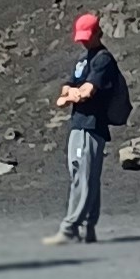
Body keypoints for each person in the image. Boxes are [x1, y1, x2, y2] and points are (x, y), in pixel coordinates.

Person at [45, 13, 127, 246]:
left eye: (86, 37)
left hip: (92, 125)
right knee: (81, 175)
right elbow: (68, 87)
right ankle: (86, 227)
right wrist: (71, 94)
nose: (83, 41)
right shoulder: (84, 60)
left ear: (96, 34)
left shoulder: (103, 60)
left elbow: (86, 91)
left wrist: (72, 95)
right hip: (79, 124)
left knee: (84, 176)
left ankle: (71, 227)